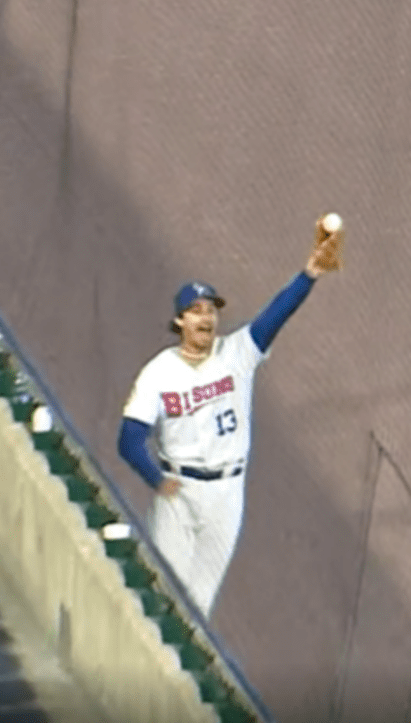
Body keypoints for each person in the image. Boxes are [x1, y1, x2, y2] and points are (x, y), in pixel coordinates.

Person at [118, 217, 345, 618]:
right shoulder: (158, 373)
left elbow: (275, 316)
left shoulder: (237, 353)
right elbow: (129, 439)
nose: (206, 318)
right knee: (162, 594)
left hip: (227, 494)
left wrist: (309, 275)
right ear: (179, 321)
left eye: (210, 310)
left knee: (199, 607)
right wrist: (156, 480)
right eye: (196, 311)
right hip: (179, 491)